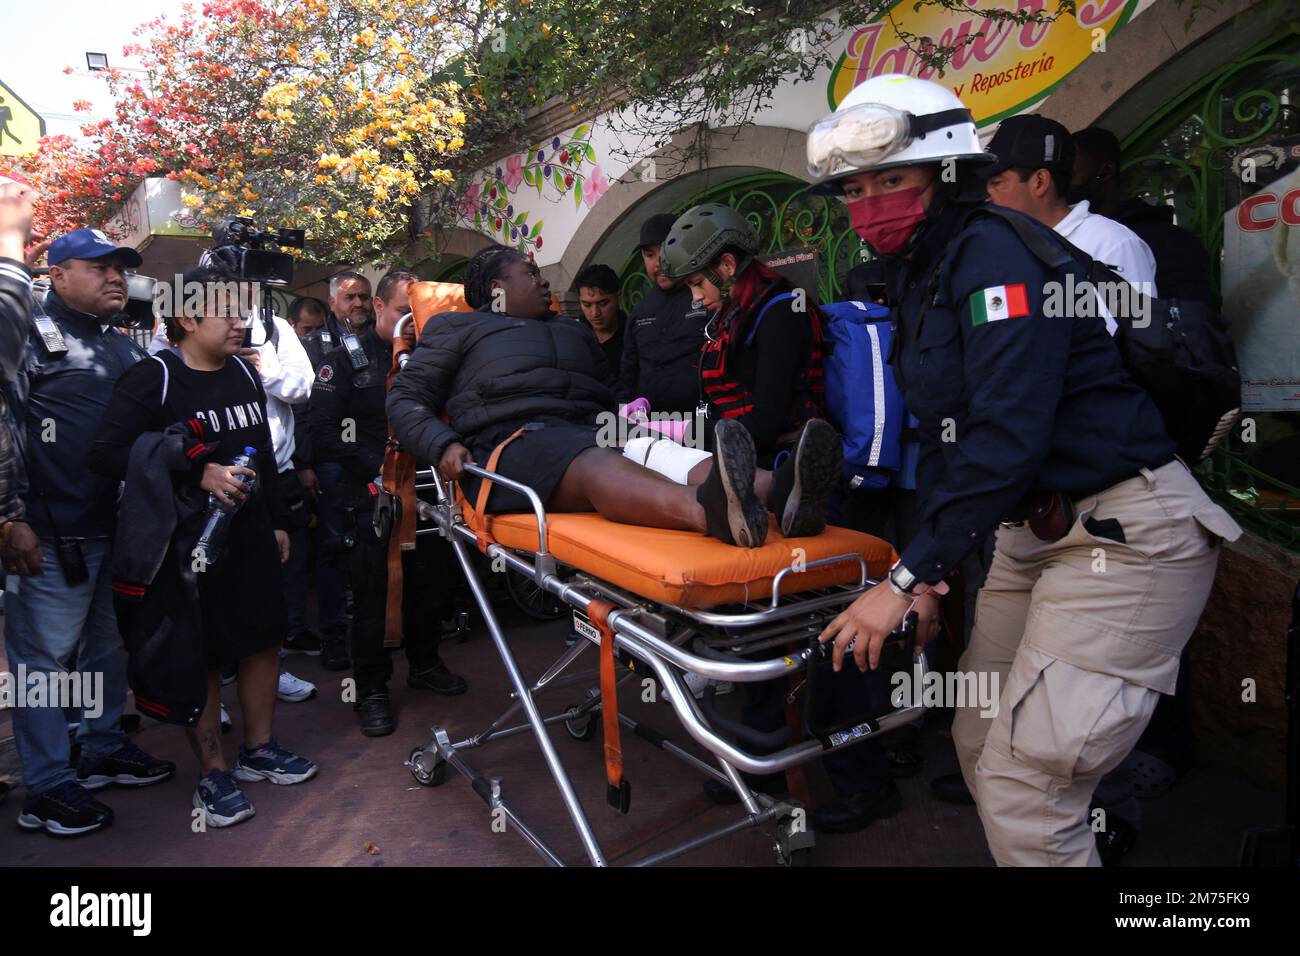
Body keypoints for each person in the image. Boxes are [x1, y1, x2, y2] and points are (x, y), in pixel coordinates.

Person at [806, 73, 1241, 865]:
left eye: (892, 181)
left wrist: (902, 580)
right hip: (1028, 533)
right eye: (854, 189)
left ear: (947, 173)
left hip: (1122, 531)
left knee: (1028, 786)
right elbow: (947, 438)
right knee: (978, 741)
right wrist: (932, 575)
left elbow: (1007, 434)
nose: (870, 204)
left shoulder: (995, 251)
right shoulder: (922, 272)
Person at [388, 244, 842, 551]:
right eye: (530, 274)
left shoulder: (572, 331)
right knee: (593, 456)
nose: (545, 283)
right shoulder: (457, 328)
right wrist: (442, 444)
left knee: (656, 448)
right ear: (497, 288)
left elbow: (607, 393)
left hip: (589, 427)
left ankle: (779, 490)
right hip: (512, 442)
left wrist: (636, 422)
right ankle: (708, 511)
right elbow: (406, 398)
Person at [89, 265, 316, 828]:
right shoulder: (155, 378)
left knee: (263, 640)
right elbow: (108, 452)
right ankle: (214, 774)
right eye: (228, 313)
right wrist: (196, 470)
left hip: (251, 535)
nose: (242, 323)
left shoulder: (243, 372)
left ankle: (259, 749)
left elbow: (264, 452)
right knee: (205, 655)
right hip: (187, 546)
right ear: (187, 318)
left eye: (244, 312)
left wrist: (277, 520)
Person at [2, 227, 174, 837]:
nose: (116, 277)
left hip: (116, 530)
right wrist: (9, 516)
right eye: (99, 267)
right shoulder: (23, 333)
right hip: (48, 534)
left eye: (120, 268)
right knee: (43, 665)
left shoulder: (119, 344)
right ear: (57, 274)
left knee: (106, 650)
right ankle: (47, 785)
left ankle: (100, 746)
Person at [311, 268, 467, 736]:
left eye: (419, 312)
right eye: (404, 311)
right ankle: (371, 689)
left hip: (430, 491)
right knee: (373, 595)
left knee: (431, 585)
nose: (413, 322)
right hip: (372, 496)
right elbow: (323, 432)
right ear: (379, 307)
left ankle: (425, 663)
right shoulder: (344, 362)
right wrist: (375, 471)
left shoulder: (433, 358)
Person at [981, 115, 1157, 334]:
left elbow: (1141, 334)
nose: (986, 195)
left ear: (1040, 181)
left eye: (997, 183)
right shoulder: (996, 250)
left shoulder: (1112, 244)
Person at [299, 272, 375, 670]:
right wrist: (305, 464)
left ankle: (376, 631)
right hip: (331, 464)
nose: (358, 303)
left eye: (364, 296)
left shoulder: (381, 342)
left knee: (373, 546)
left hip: (375, 460)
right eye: (350, 297)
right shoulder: (313, 346)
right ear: (333, 303)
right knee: (333, 548)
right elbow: (303, 411)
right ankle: (333, 636)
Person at [1070, 126, 1215, 305]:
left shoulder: (1168, 243)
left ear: (1105, 171)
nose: (1062, 184)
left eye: (1071, 174)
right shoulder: (1062, 239)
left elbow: (1189, 317)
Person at [617, 213, 708, 415]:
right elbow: (628, 377)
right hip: (650, 426)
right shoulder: (640, 312)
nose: (658, 263)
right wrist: (623, 421)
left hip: (701, 424)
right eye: (649, 255)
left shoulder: (707, 297)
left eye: (666, 251)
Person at [573, 263, 625, 377]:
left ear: (618, 298)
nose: (595, 313)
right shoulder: (573, 337)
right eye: (587, 305)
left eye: (603, 303)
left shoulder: (633, 335)